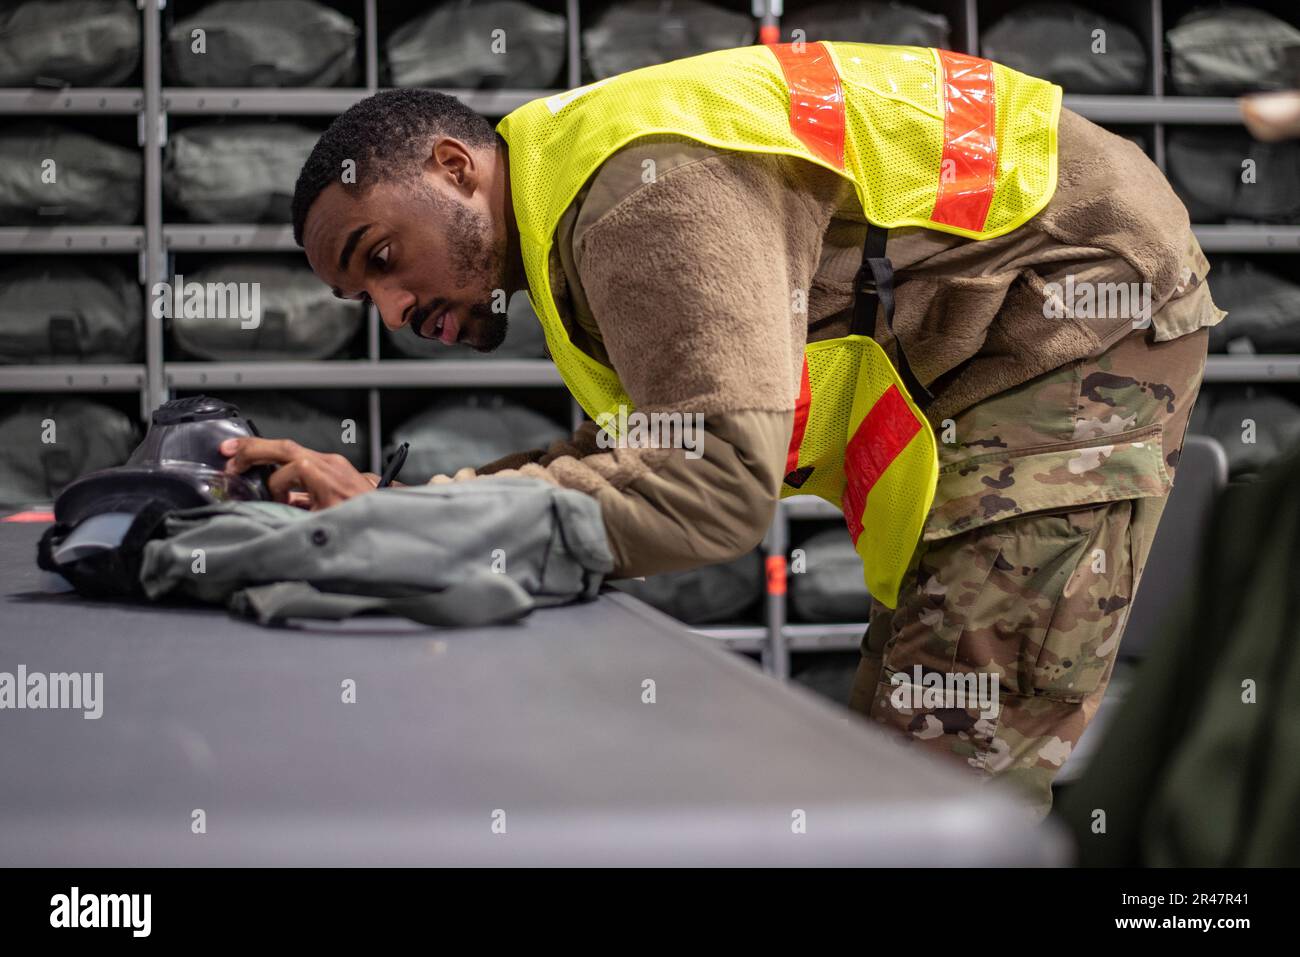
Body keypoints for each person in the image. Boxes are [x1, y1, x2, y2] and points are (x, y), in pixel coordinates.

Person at [221, 42, 1224, 816]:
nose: (397, 311)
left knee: (945, 756)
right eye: (367, 296)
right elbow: (656, 451)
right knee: (890, 744)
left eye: (384, 254)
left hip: (1081, 310)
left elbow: (708, 488)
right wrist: (396, 510)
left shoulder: (635, 199)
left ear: (452, 167)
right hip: (1001, 330)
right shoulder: (571, 203)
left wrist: (397, 533)